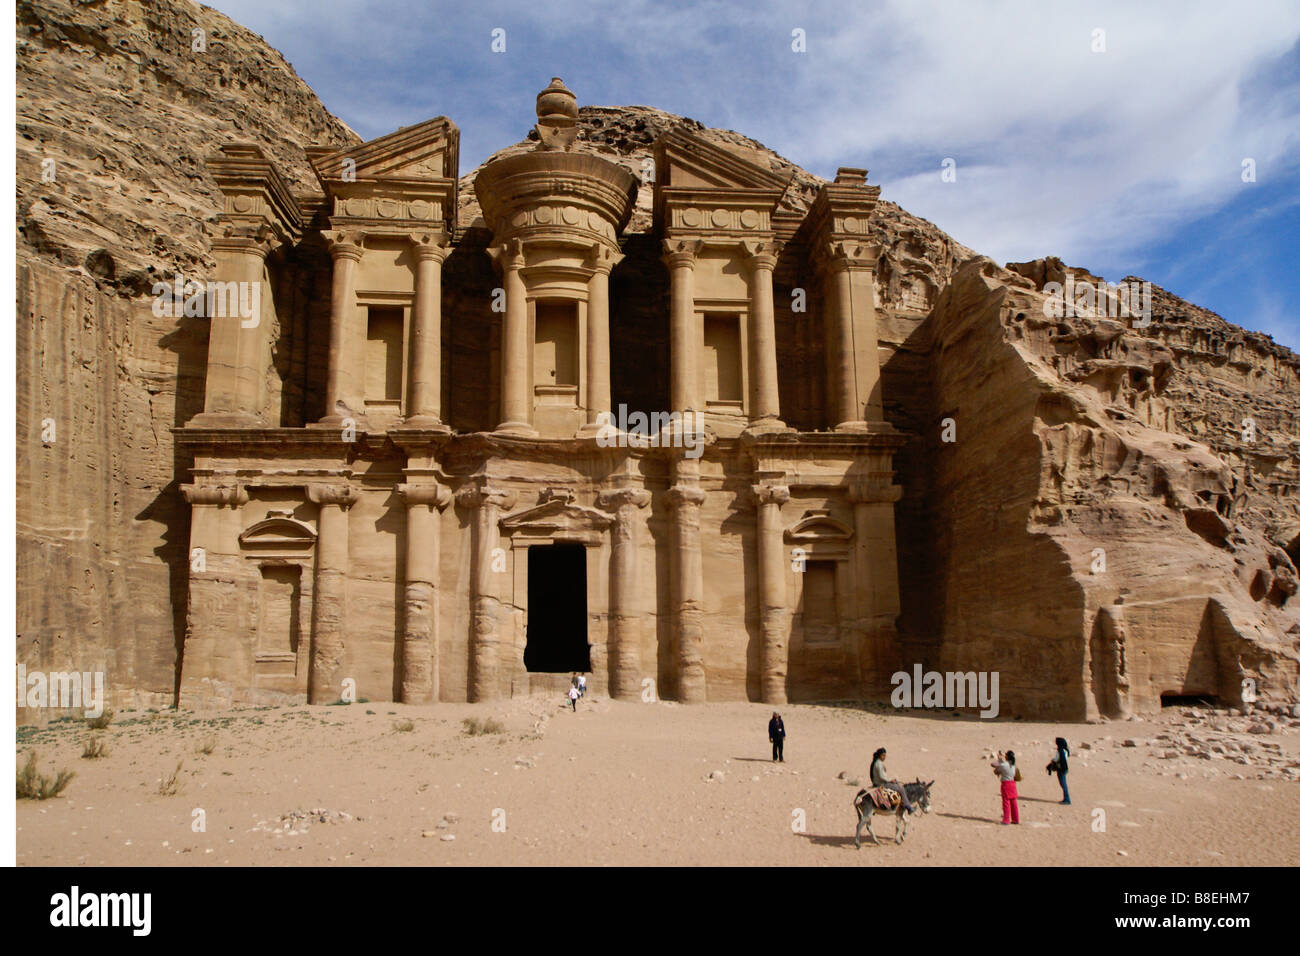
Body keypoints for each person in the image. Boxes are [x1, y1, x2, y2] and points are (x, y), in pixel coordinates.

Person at [870, 747, 915, 814]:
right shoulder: (879, 764)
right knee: (901, 788)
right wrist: (890, 780)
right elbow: (882, 777)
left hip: (878, 782)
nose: (884, 757)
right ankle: (908, 807)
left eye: (885, 755)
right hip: (881, 783)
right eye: (883, 755)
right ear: (879, 755)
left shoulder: (876, 762)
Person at [992, 749, 1019, 824]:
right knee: (1013, 802)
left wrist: (999, 760)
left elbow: (995, 769)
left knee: (1006, 802)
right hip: (1013, 784)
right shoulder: (1013, 765)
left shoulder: (1003, 765)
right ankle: (1015, 819)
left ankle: (1006, 819)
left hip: (1006, 784)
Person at [1048, 737, 1070, 804]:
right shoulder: (1065, 750)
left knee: (1063, 784)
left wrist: (1051, 763)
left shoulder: (1060, 751)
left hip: (1061, 769)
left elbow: (1056, 759)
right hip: (1065, 768)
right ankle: (1066, 799)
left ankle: (1067, 799)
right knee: (1063, 784)